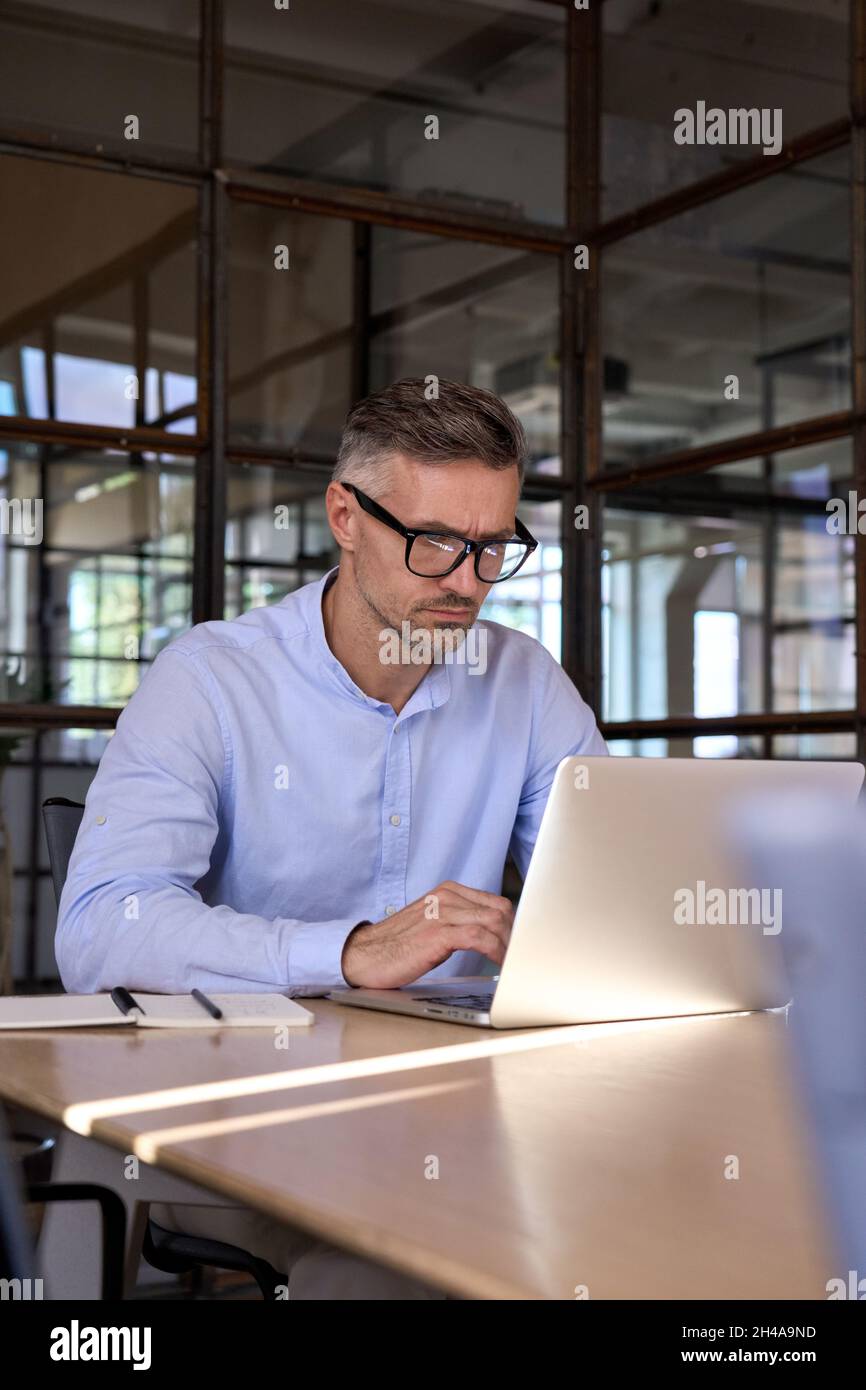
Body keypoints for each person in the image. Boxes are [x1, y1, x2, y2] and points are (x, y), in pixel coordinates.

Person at [56, 376, 607, 1297]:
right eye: (434, 544)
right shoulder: (211, 680)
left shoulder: (524, 680)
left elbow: (611, 889)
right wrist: (347, 951)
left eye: (492, 548)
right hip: (237, 1105)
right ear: (345, 516)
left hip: (451, 1106)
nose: (468, 584)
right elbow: (101, 926)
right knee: (393, 1268)